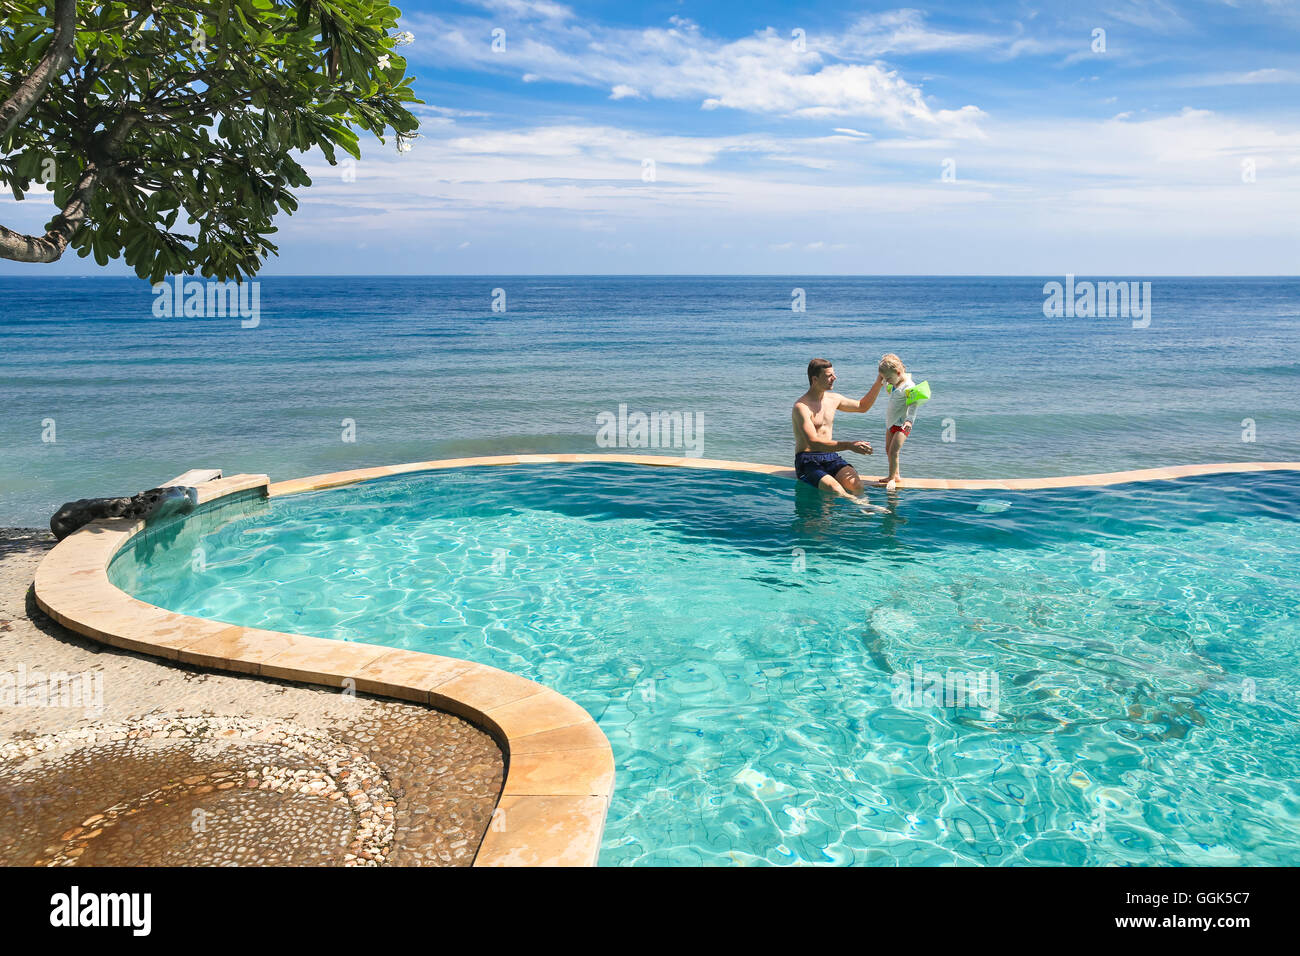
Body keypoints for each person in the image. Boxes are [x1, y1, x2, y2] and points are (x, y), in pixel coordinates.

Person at [791, 358, 886, 500]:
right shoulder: (801, 407)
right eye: (829, 376)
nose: (834, 378)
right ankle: (864, 507)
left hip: (830, 456)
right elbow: (813, 442)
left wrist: (880, 381)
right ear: (815, 379)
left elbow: (862, 406)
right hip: (807, 460)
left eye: (833, 374)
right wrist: (849, 445)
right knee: (834, 489)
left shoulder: (834, 399)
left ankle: (863, 509)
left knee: (857, 485)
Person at [875, 352, 927, 491]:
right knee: (888, 450)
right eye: (885, 379)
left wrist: (909, 421)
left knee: (893, 451)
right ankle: (895, 475)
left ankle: (892, 478)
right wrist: (884, 380)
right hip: (891, 422)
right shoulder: (895, 383)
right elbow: (891, 393)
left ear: (898, 372)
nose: (887, 381)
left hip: (903, 425)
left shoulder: (909, 386)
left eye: (888, 378)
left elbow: (913, 405)